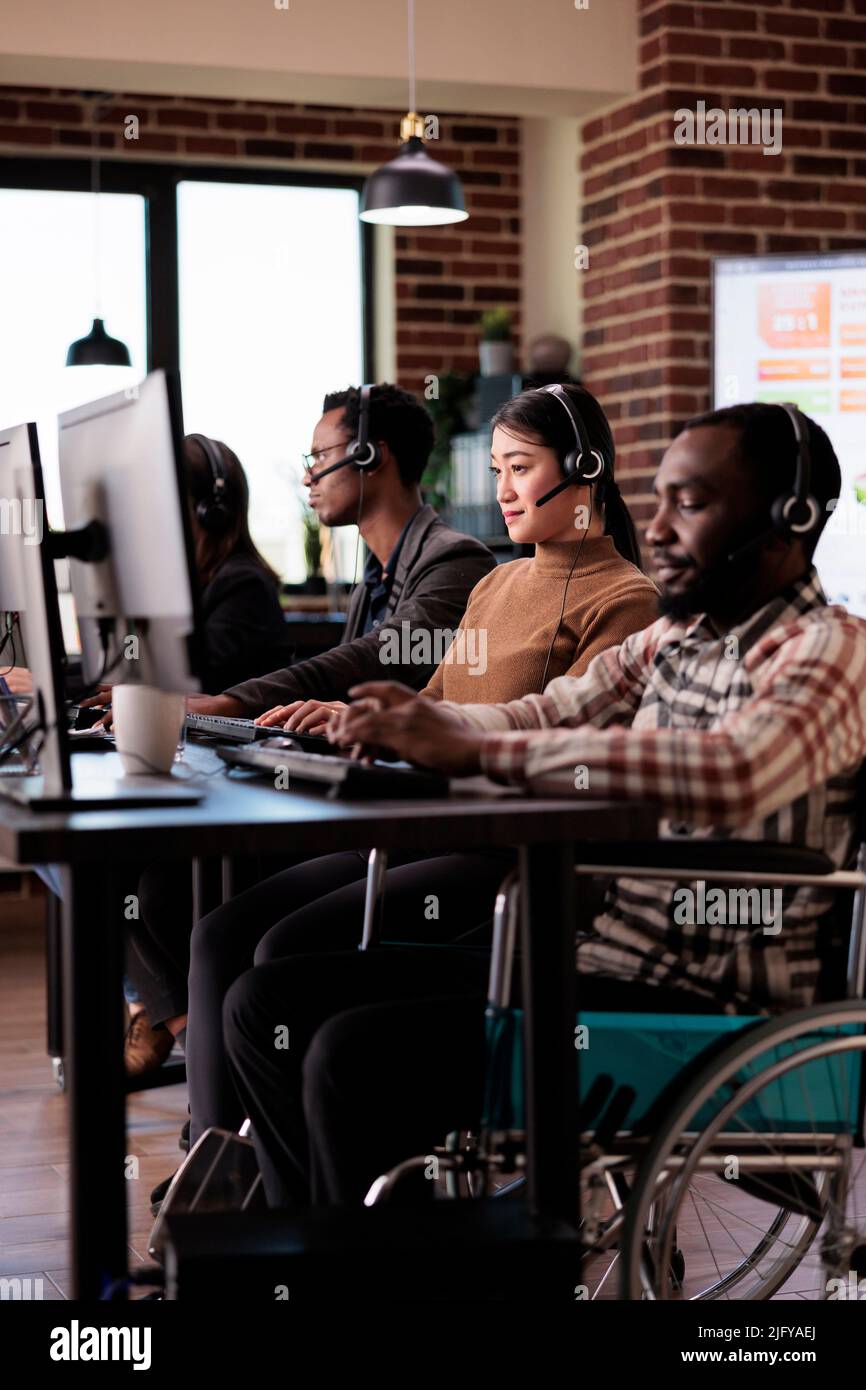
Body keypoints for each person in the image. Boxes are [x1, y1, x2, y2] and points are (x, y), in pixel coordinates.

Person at [218, 402, 866, 1208]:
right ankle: (328, 1264)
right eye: (659, 499)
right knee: (263, 1005)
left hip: (708, 1015)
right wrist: (418, 725)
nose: (657, 526)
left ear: (789, 521)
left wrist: (477, 749)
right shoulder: (676, 637)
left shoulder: (835, 649)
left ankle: (382, 1268)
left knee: (349, 1054)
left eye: (689, 504)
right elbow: (544, 713)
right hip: (596, 962)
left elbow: (735, 768)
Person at [168, 382, 658, 1180]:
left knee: (282, 948)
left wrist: (433, 735)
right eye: (495, 467)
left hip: (508, 856)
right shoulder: (497, 584)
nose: (501, 489)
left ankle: (299, 1190)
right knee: (222, 934)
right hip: (427, 828)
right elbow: (430, 705)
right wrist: (345, 715)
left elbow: (575, 753)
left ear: (584, 469)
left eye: (521, 467)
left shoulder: (627, 600)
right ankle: (231, 1176)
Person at [125, 383, 496, 1077]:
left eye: (320, 457)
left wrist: (233, 704)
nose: (307, 475)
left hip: (405, 828)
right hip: (355, 806)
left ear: (370, 457)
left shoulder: (456, 562)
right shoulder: (375, 576)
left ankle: (229, 1094)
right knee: (170, 887)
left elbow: (374, 657)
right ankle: (224, 1098)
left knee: (183, 897)